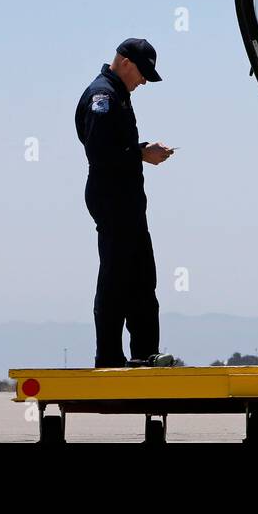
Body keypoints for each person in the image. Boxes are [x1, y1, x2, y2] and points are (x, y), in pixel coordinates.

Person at [75, 38, 176, 368]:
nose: (144, 81)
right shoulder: (102, 96)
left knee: (142, 278)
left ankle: (146, 354)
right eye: (143, 73)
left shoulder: (118, 95)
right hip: (111, 197)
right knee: (116, 276)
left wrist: (142, 150)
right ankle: (108, 357)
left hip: (127, 199)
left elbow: (116, 148)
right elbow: (100, 152)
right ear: (126, 62)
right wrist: (142, 153)